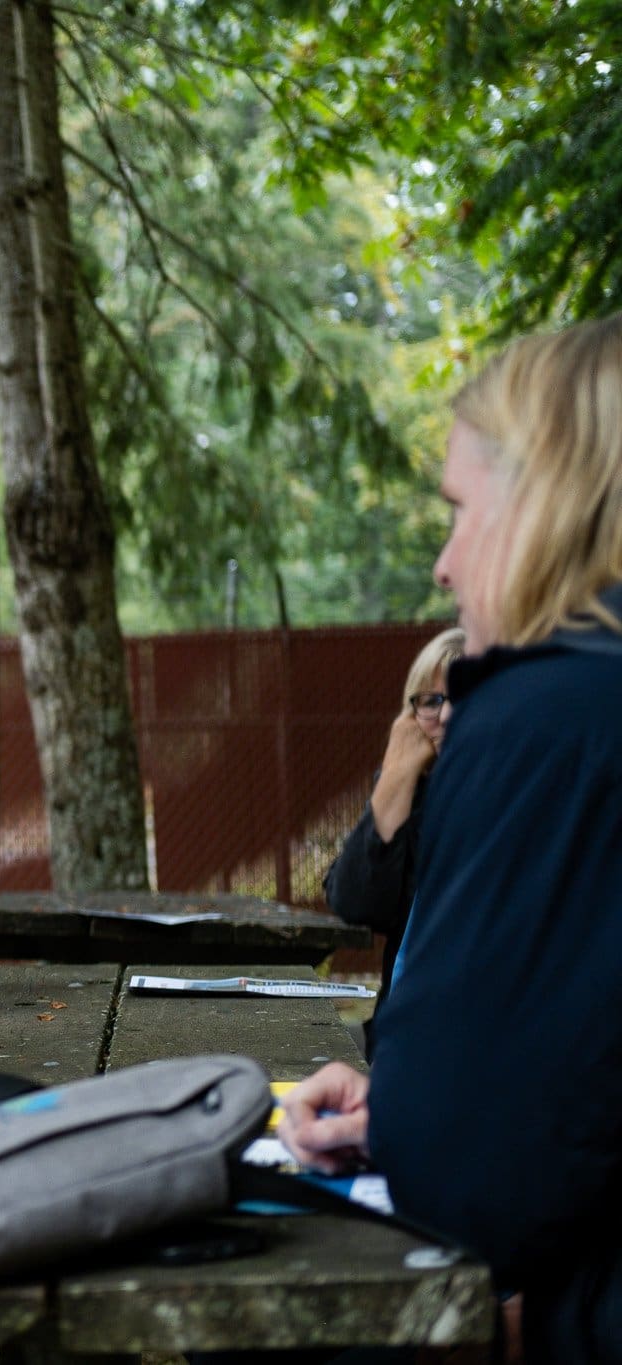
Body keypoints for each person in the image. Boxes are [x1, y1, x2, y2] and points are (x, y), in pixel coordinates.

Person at [280, 314, 622, 1363]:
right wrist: (399, 1105)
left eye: (458, 513)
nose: (442, 565)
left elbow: (473, 1179)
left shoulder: (540, 717)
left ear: (544, 503)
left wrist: (418, 1117)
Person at [320, 626, 463, 1056]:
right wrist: (397, 774)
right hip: (401, 1037)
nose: (445, 714)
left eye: (463, 695)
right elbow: (355, 902)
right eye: (431, 701)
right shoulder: (412, 794)